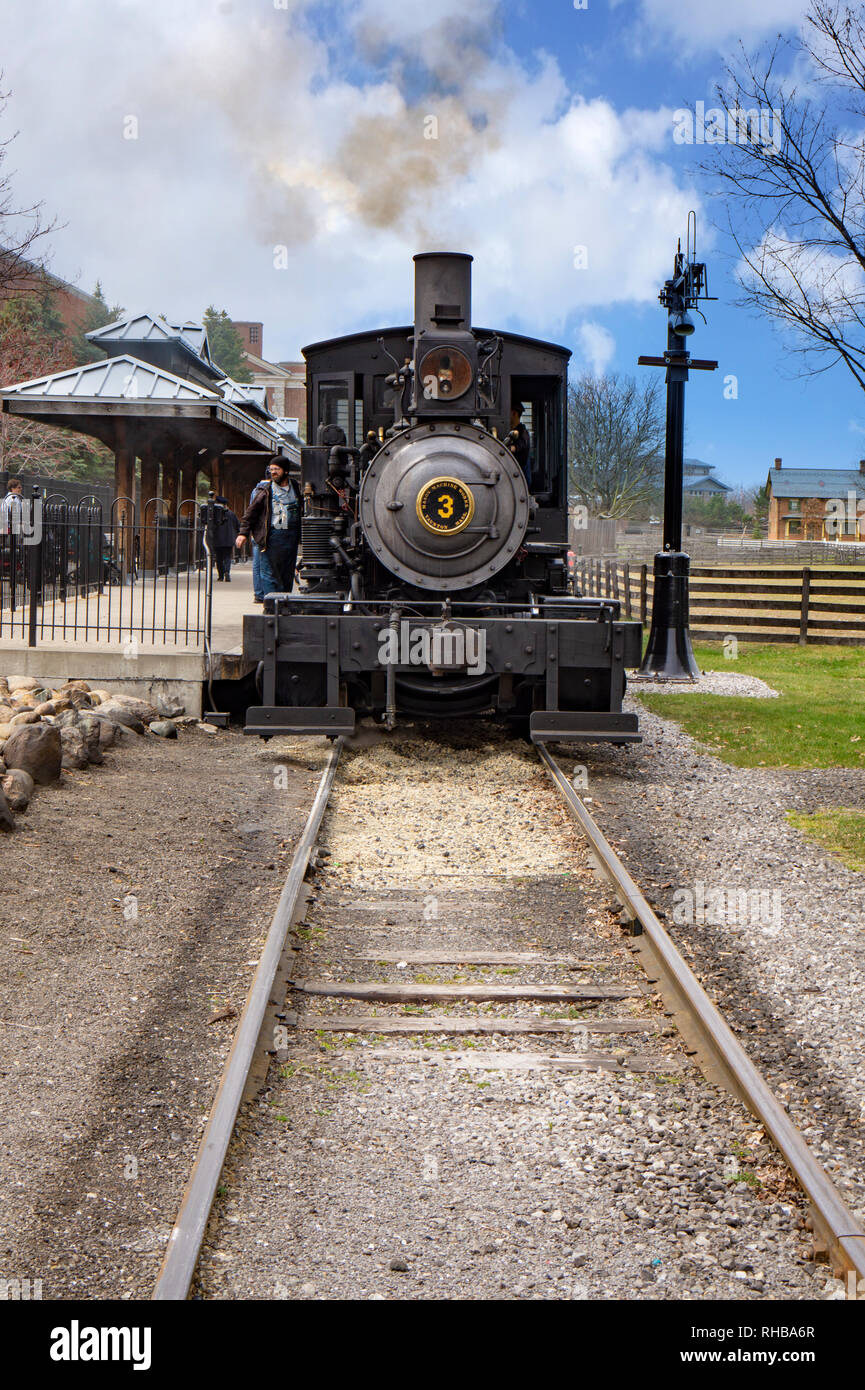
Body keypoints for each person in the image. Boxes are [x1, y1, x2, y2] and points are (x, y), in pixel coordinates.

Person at [236, 456, 301, 597]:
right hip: (272, 536)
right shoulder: (264, 490)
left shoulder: (295, 487)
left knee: (287, 572)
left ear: (286, 471)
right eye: (271, 469)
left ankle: (284, 602)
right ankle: (271, 604)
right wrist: (243, 533)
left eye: (276, 469)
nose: (273, 472)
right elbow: (250, 513)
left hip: (291, 537)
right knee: (268, 572)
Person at [210, 496, 240, 581]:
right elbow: (238, 526)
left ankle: (220, 576)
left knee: (218, 558)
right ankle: (227, 572)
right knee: (227, 557)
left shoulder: (214, 514)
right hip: (229, 539)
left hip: (217, 539)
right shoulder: (231, 514)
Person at [506, 403, 532, 487]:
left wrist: (512, 448)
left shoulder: (522, 432)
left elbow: (520, 445)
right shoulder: (508, 430)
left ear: (514, 413)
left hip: (520, 477)